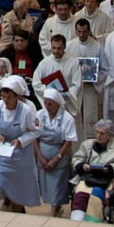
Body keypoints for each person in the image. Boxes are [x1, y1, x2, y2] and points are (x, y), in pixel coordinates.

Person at [0, 74, 41, 213]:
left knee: (18, 188)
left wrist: (21, 140)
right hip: (2, 153)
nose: (5, 100)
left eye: (9, 97)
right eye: (3, 97)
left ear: (17, 96)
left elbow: (36, 131)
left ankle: (16, 209)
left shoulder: (26, 111)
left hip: (20, 156)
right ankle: (7, 200)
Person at [69, 119, 114, 222]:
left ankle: (93, 221)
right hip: (88, 178)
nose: (98, 136)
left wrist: (108, 169)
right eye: (97, 132)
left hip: (108, 180)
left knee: (95, 192)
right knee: (80, 193)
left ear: (110, 135)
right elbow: (76, 158)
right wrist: (82, 165)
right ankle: (76, 220)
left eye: (102, 133)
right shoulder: (87, 144)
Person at [36, 88, 78, 217]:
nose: (47, 107)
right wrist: (40, 156)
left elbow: (68, 142)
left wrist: (56, 159)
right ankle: (54, 207)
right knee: (47, 187)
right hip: (43, 156)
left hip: (60, 156)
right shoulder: (39, 115)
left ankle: (55, 210)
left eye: (50, 104)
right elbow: (34, 137)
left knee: (58, 187)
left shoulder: (67, 118)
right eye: (46, 103)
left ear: (57, 104)